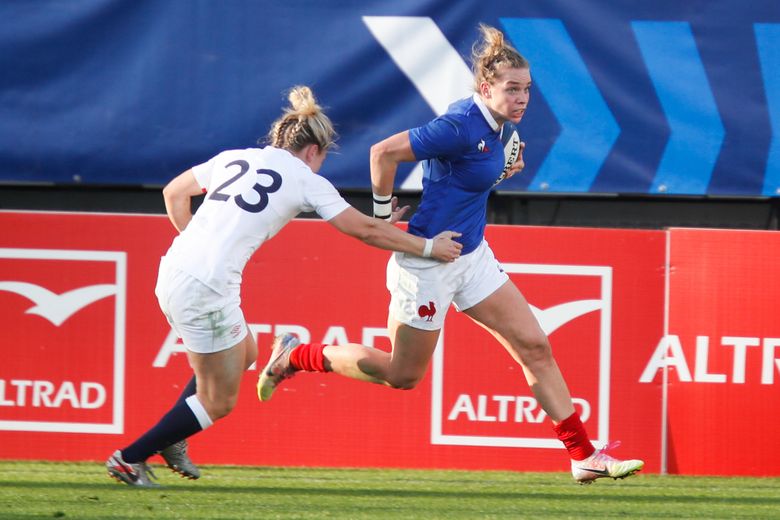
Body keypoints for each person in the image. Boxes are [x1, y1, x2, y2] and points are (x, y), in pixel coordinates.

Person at [257, 24, 644, 484]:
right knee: (402, 375)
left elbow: (465, 180)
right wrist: (383, 216)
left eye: (527, 89)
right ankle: (296, 356)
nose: (522, 98)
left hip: (472, 256)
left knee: (535, 345)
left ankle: (584, 456)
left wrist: (501, 171)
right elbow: (383, 153)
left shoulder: (500, 129)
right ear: (485, 87)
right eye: (511, 89)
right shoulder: (459, 125)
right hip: (427, 262)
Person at [105, 86, 463, 487]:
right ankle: (129, 459)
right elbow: (361, 229)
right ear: (314, 151)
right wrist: (429, 247)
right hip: (206, 288)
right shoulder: (303, 177)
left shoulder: (233, 157)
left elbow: (174, 192)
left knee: (247, 353)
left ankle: (175, 435)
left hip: (174, 271)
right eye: (323, 159)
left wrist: (200, 245)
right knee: (218, 401)